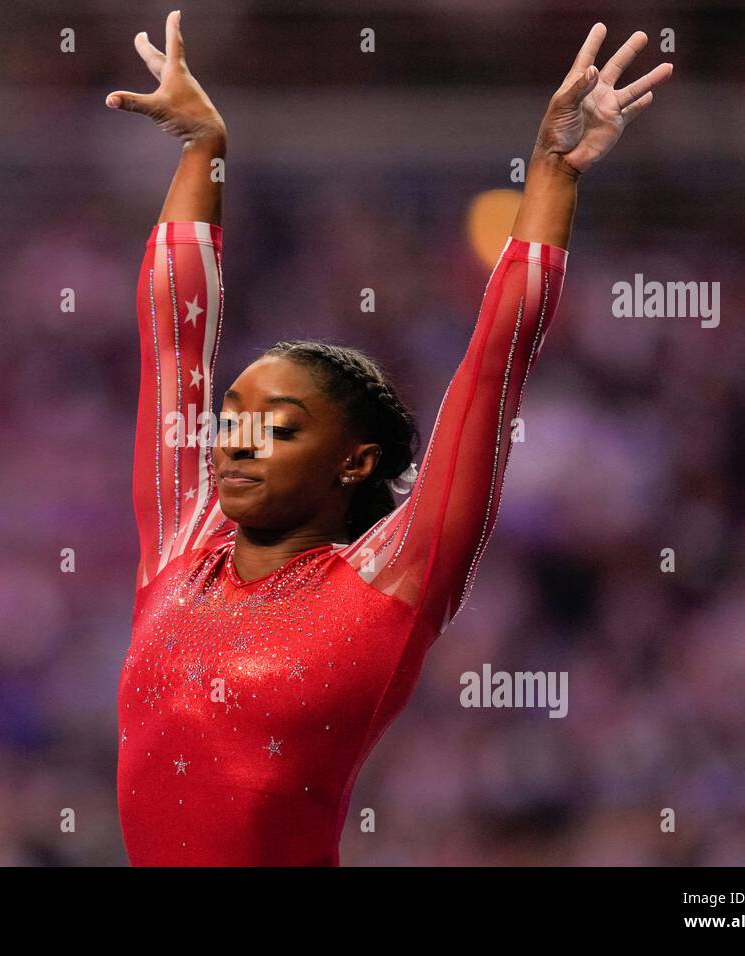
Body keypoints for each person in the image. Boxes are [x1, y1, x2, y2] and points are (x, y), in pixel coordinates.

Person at [105, 11, 672, 866]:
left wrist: (553, 172)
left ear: (354, 463)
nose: (234, 441)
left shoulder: (388, 584)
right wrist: (201, 149)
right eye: (232, 419)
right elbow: (172, 341)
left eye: (279, 426)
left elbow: (493, 366)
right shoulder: (182, 543)